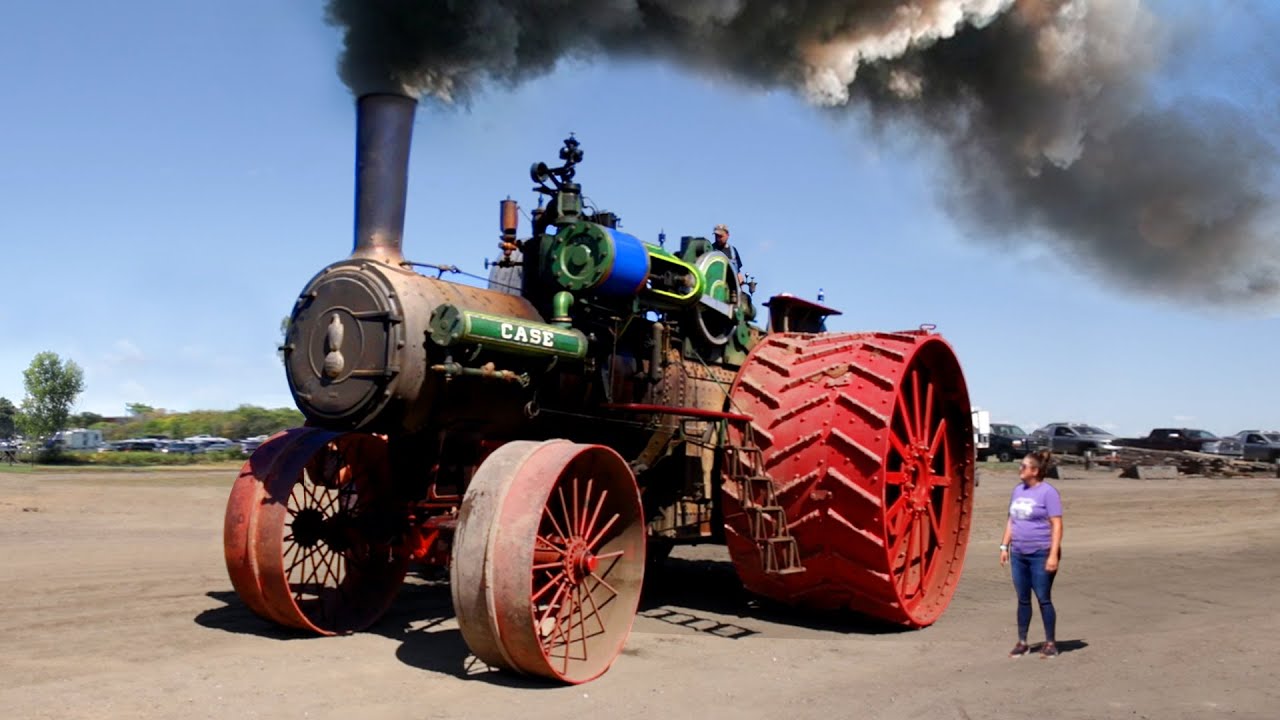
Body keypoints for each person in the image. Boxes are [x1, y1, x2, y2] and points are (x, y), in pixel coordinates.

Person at [999, 449, 1064, 658]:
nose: (1020, 469)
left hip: (1041, 552)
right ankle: (1023, 642)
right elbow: (1011, 520)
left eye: (1024, 466)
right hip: (1018, 553)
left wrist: (1053, 555)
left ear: (1035, 471)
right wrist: (1004, 546)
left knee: (1043, 598)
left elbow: (1057, 524)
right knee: (1023, 599)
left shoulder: (1048, 492)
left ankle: (1050, 643)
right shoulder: (1018, 490)